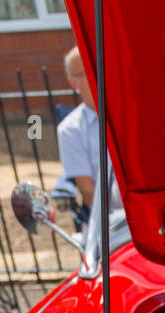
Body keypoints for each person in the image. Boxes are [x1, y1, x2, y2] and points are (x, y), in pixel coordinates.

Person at [57, 46, 99, 208]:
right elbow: (88, 193)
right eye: (88, 71)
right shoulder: (70, 129)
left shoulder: (132, 113)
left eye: (100, 67)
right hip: (112, 221)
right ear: (73, 82)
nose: (98, 76)